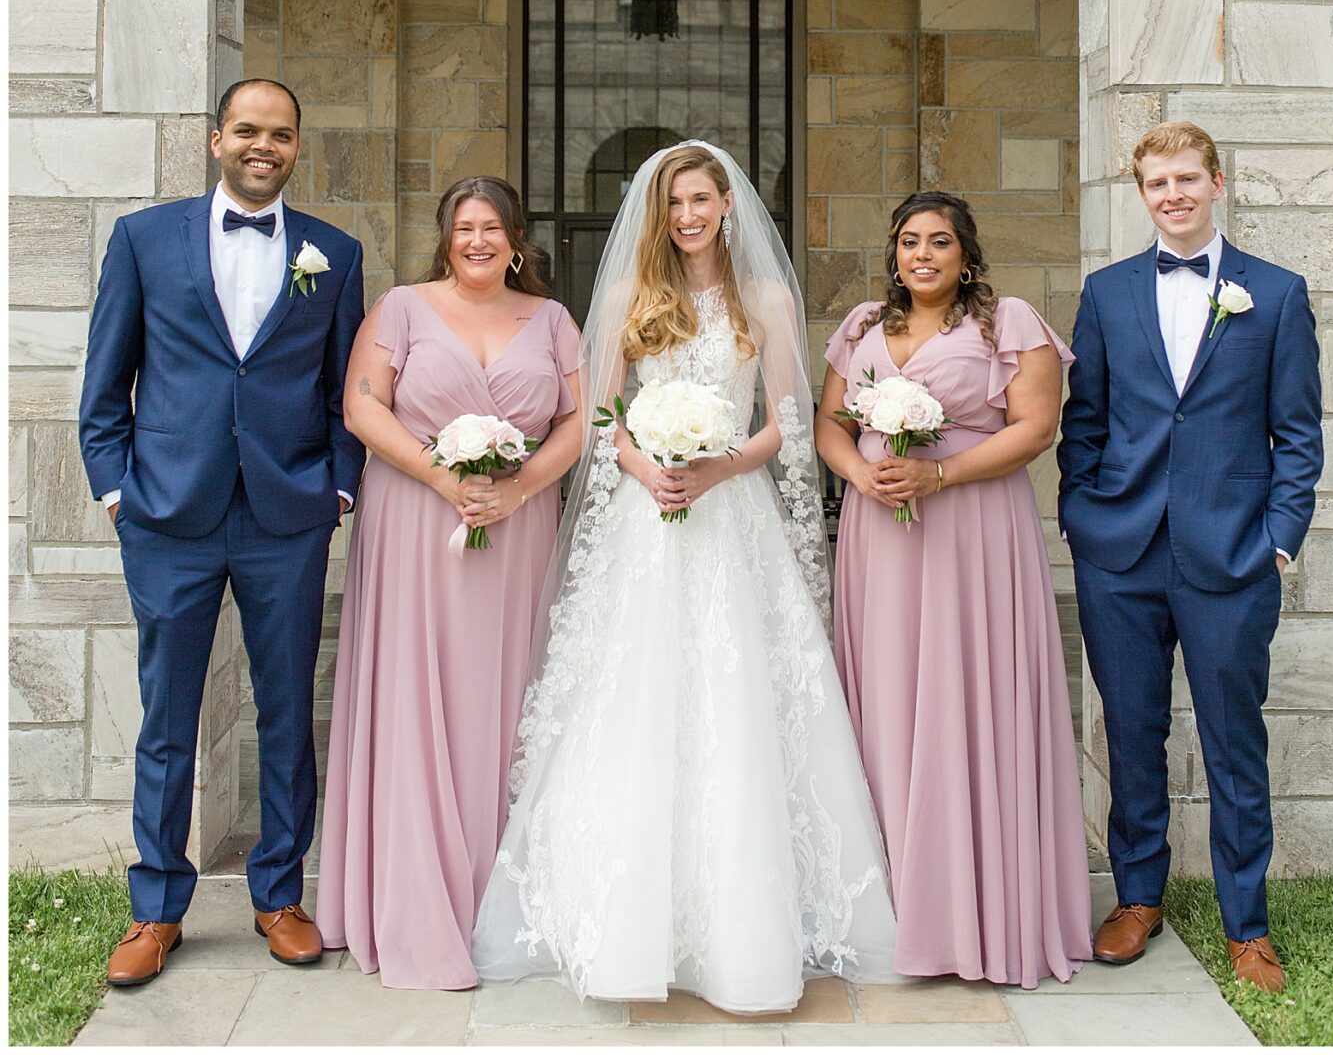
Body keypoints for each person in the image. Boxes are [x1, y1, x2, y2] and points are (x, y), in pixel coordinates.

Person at [472, 142, 897, 1012]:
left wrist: (716, 466)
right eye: (674, 204)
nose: (688, 216)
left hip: (730, 515)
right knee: (634, 700)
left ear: (726, 205)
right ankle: (626, 921)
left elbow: (782, 423)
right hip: (645, 520)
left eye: (700, 200)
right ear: (659, 214)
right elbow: (604, 416)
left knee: (733, 703)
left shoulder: (768, 300)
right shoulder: (631, 295)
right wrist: (641, 464)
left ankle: (743, 926)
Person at [78, 80, 365, 987]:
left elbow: (341, 393)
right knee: (168, 717)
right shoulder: (143, 239)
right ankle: (156, 908)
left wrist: (341, 493)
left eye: (281, 134)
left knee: (287, 710)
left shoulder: (335, 252)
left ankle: (279, 896)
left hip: (286, 517)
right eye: (247, 130)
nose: (263, 146)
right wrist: (119, 495)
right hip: (168, 518)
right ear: (216, 140)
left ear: (295, 147)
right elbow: (104, 387)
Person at [1059, 121, 1323, 993]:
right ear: (1140, 195)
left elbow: (1298, 435)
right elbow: (1084, 422)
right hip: (1119, 554)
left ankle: (1246, 924)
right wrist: (1081, 518)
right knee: (1132, 734)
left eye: (1184, 179)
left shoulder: (1275, 296)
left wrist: (1276, 541)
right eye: (1154, 183)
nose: (1170, 195)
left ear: (1215, 181)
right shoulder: (1105, 293)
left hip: (1230, 557)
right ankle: (1137, 899)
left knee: (1231, 743)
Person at [819, 190, 1092, 990]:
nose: (922, 255)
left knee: (968, 697)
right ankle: (893, 908)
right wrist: (861, 475)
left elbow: (1033, 428)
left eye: (939, 242)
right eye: (908, 241)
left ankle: (979, 909)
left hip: (972, 531)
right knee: (892, 697)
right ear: (893, 253)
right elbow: (828, 423)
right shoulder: (864, 327)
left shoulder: (1008, 322)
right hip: (881, 534)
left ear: (966, 255)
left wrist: (938, 472)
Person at [317, 176, 582, 990]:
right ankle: (413, 901)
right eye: (465, 228)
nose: (478, 241)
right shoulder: (401, 307)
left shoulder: (552, 320)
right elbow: (364, 407)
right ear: (446, 237)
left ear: (516, 241)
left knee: (509, 700)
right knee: (416, 695)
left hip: (519, 527)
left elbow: (580, 421)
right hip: (414, 522)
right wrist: (443, 479)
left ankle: (504, 902)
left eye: (492, 228)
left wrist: (518, 488)